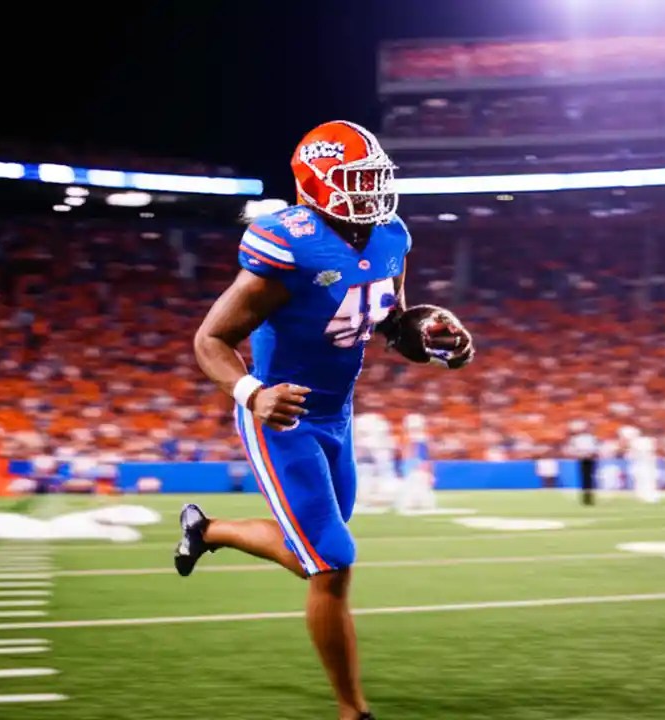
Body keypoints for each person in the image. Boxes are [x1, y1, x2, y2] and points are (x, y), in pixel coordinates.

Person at [176, 120, 473, 720]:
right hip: (281, 418)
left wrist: (435, 334)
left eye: (375, 179)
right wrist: (251, 391)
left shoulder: (390, 235)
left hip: (337, 416)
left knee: (315, 551)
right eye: (355, 180)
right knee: (330, 560)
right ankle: (352, 710)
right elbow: (210, 339)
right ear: (315, 183)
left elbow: (392, 324)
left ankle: (206, 531)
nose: (371, 193)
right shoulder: (288, 243)